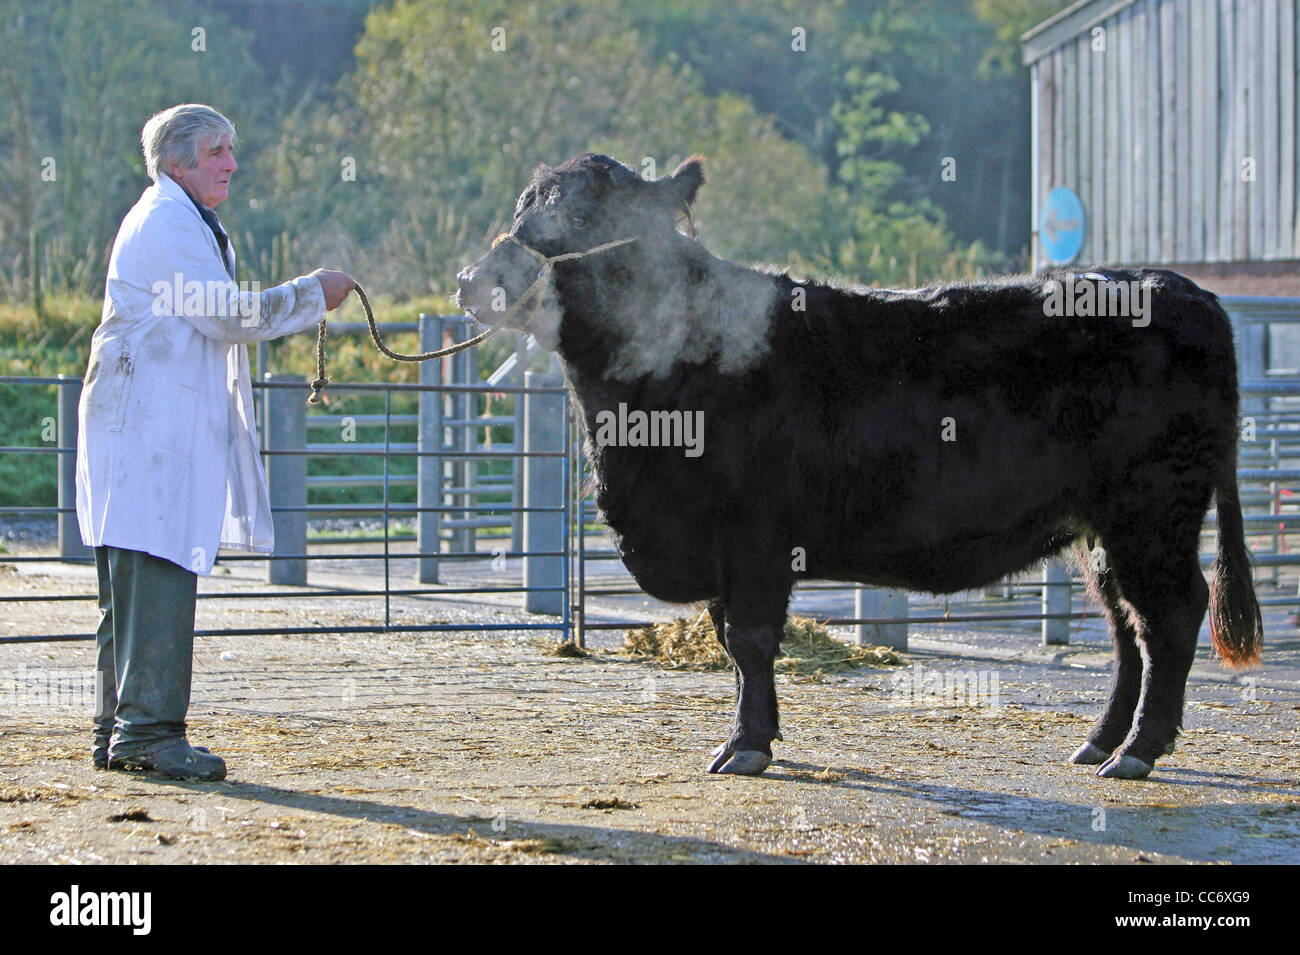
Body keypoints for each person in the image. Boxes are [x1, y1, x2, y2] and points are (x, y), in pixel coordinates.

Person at [75, 103, 356, 781]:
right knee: (158, 571)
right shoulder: (169, 223)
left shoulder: (178, 217)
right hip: (147, 425)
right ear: (178, 164)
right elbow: (229, 315)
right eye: (214, 153)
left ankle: (119, 730)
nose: (230, 163)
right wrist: (311, 294)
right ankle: (148, 734)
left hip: (143, 419)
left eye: (230, 148)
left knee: (135, 580)